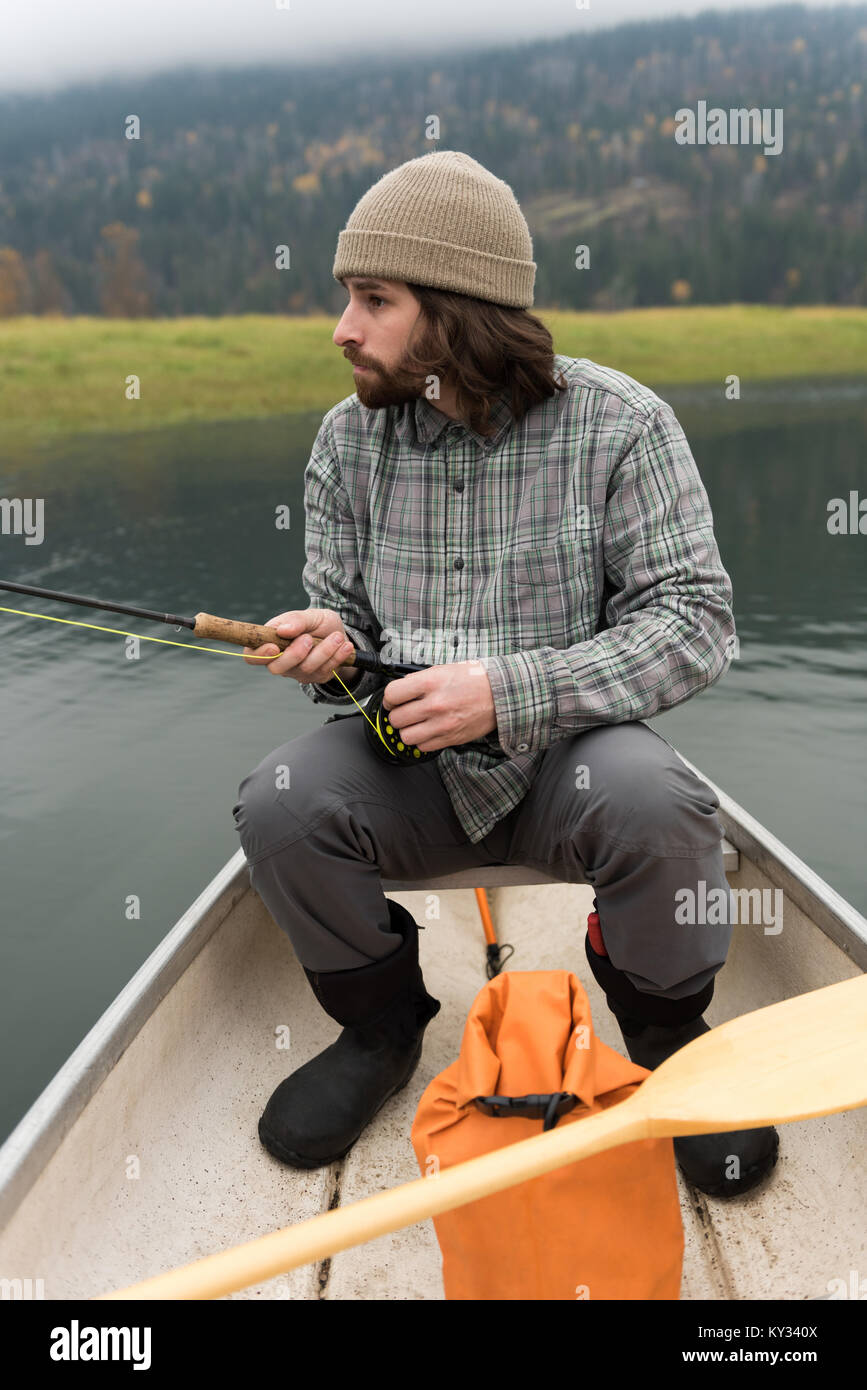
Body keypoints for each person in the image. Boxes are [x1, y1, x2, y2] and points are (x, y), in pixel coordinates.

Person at [232, 150, 778, 1198]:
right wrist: (329, 648)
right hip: (411, 775)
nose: (343, 328)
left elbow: (696, 624)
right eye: (349, 297)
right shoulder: (347, 443)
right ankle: (382, 1032)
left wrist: (512, 692)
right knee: (281, 804)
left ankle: (668, 1034)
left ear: (458, 311)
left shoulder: (622, 425)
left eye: (374, 299)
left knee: (657, 800)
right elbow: (345, 619)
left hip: (572, 765)